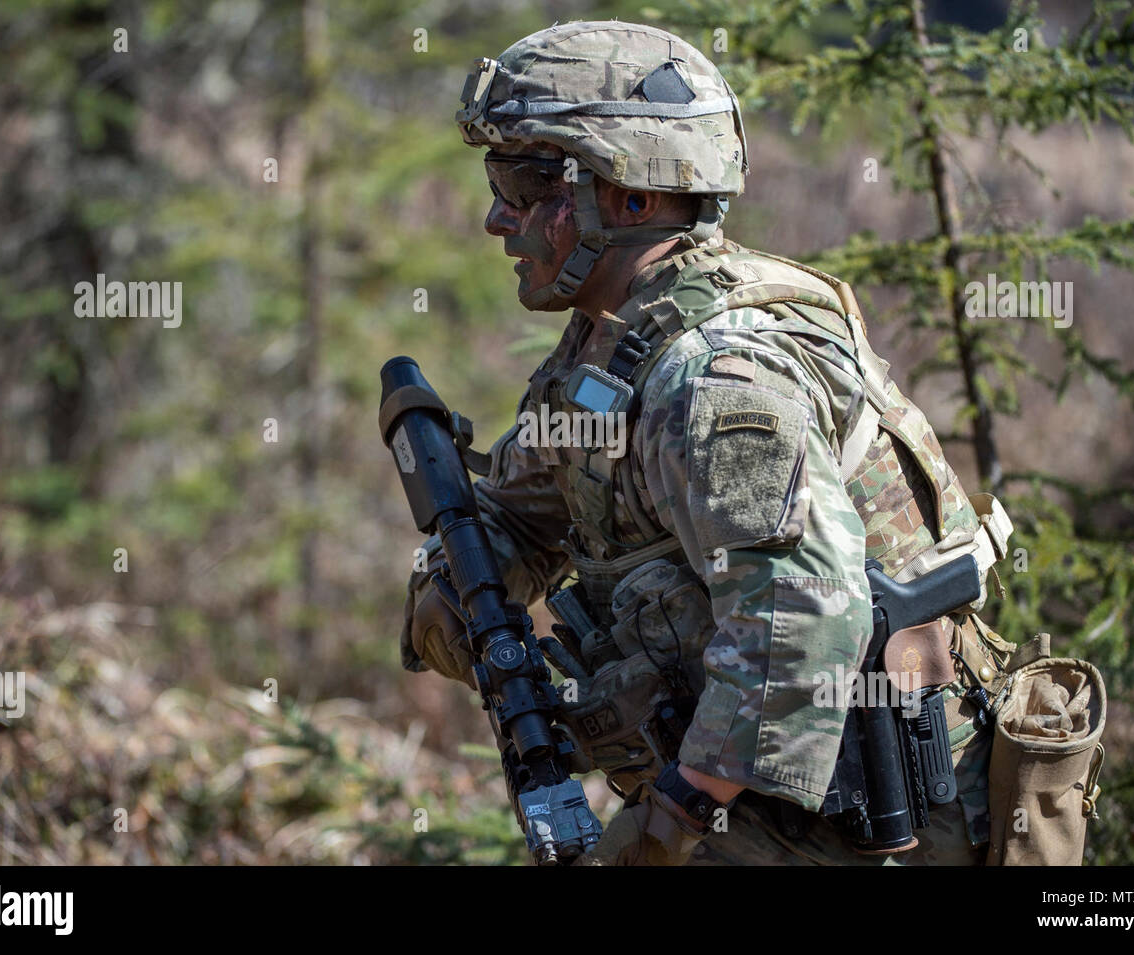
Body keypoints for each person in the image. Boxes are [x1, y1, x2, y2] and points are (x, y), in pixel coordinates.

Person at [402, 19, 1017, 865]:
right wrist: (461, 591)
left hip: (878, 824)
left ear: (629, 195)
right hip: (762, 800)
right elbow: (528, 505)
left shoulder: (716, 380)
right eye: (496, 178)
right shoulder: (614, 345)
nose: (495, 219)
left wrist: (668, 825)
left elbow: (801, 621)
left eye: (525, 180)